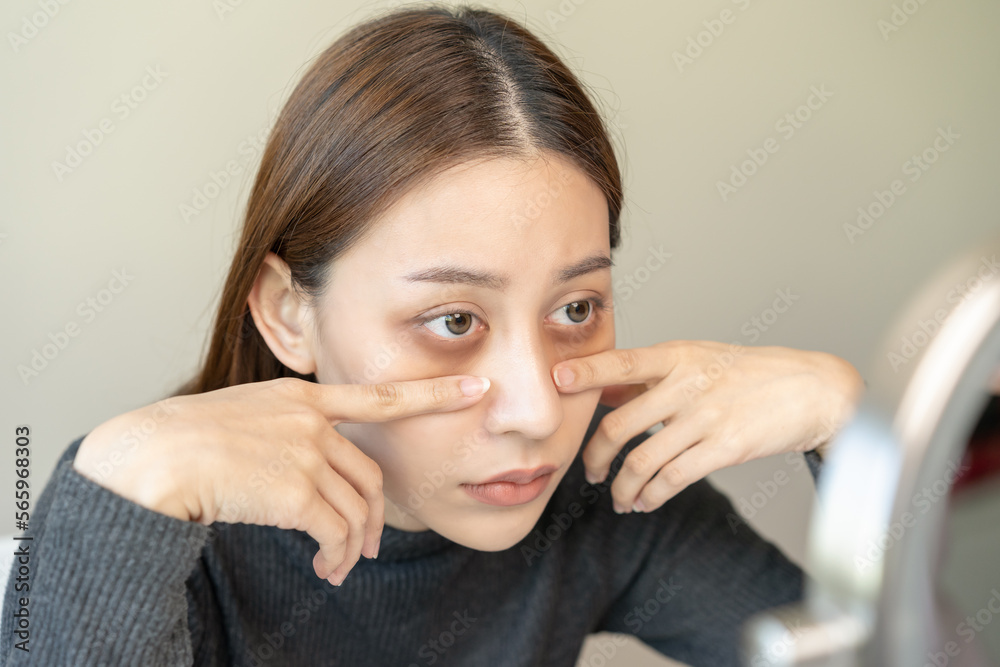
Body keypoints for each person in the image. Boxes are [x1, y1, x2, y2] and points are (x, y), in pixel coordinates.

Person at [1, 5, 863, 666]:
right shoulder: (156, 520)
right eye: (454, 321)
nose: (534, 412)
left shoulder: (599, 491)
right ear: (288, 311)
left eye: (575, 310)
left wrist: (857, 427)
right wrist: (106, 490)